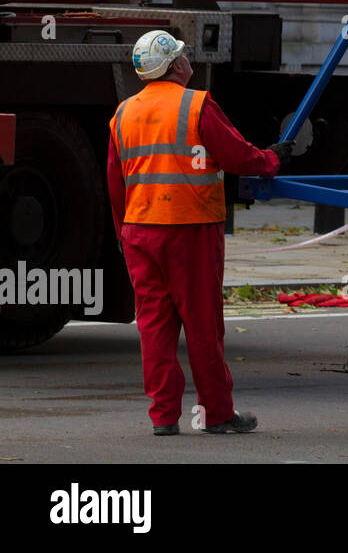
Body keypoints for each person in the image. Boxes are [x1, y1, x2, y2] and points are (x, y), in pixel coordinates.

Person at [108, 30, 292, 436]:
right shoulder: (197, 104)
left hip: (140, 231)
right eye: (182, 55)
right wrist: (271, 159)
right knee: (203, 324)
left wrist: (124, 232)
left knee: (154, 327)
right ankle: (218, 415)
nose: (188, 60)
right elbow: (236, 155)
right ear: (176, 66)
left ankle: (163, 418)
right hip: (189, 230)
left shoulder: (123, 113)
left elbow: (115, 181)